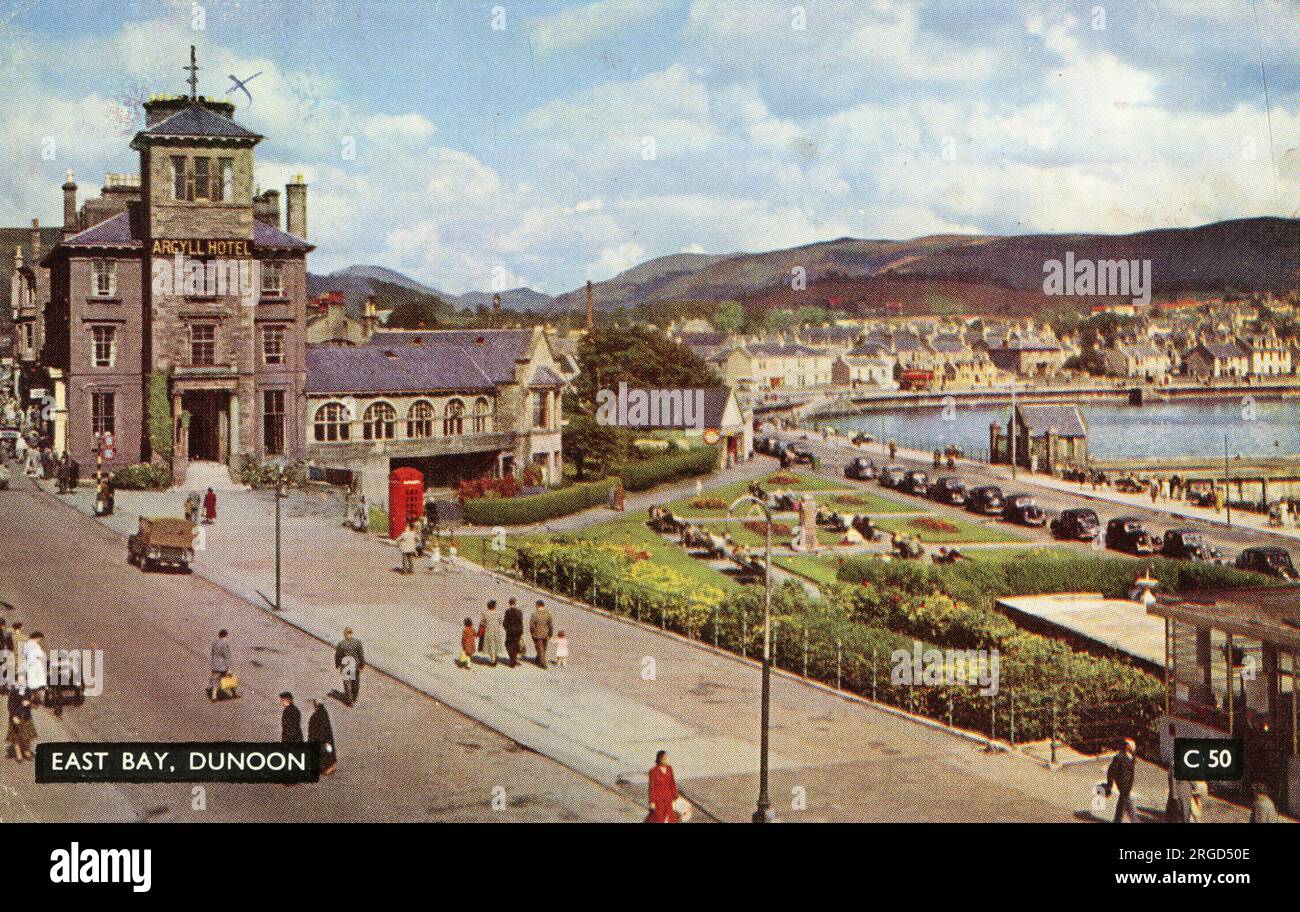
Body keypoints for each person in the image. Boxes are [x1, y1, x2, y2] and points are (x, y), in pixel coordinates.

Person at [1105, 737, 1138, 823]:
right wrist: (1109, 786)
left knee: (1123, 802)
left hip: (1128, 784)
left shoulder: (1132, 756)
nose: (1135, 746)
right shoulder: (1119, 757)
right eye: (1133, 745)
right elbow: (1111, 771)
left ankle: (1117, 821)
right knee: (1127, 802)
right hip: (1123, 784)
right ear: (1127, 746)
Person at [646, 750, 680, 823]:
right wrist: (652, 802)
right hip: (658, 799)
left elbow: (672, 783)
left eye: (666, 757)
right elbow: (651, 787)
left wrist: (675, 796)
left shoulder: (669, 769)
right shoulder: (653, 771)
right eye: (664, 758)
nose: (666, 759)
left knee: (671, 818)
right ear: (659, 759)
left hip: (668, 797)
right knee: (659, 818)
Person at [6, 676, 35, 762]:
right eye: (19, 679)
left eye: (23, 679)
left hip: (26, 716)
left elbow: (35, 701)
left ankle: (26, 751)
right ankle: (18, 754)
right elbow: (10, 704)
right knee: (16, 737)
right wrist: (14, 716)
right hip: (16, 716)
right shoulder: (13, 690)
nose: (21, 681)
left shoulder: (28, 690)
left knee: (27, 736)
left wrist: (29, 702)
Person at [334, 628, 364, 706]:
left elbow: (338, 655)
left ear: (344, 634)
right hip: (355, 665)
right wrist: (362, 664)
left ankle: (349, 700)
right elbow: (361, 655)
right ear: (352, 633)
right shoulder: (357, 642)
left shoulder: (341, 644)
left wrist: (337, 664)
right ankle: (354, 697)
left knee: (347, 683)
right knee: (355, 682)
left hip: (346, 665)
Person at [307, 699, 337, 776]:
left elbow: (316, 732)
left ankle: (326, 767)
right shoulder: (323, 713)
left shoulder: (317, 715)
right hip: (324, 740)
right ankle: (327, 766)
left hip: (320, 740)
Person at [208, 629, 232, 702]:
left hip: (215, 664)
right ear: (226, 635)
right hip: (222, 666)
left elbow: (212, 653)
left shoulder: (215, 643)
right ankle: (234, 694)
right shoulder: (225, 644)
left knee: (215, 680)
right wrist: (228, 668)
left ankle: (214, 697)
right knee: (230, 678)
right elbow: (226, 656)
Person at [22, 632, 46, 703]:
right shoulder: (35, 645)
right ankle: (35, 699)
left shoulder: (26, 644)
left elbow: (24, 654)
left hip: (28, 665)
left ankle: (31, 697)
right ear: (38, 637)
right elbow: (40, 655)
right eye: (40, 639)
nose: (40, 641)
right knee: (38, 682)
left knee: (31, 682)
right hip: (35, 665)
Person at [530, 600, 554, 669]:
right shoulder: (548, 614)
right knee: (544, 648)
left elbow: (532, 625)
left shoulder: (535, 614)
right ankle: (538, 659)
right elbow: (550, 625)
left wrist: (532, 632)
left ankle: (543, 663)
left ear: (538, 605)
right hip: (546, 634)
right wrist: (550, 633)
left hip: (537, 634)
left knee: (539, 648)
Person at [480, 600, 505, 667]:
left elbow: (482, 622)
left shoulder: (485, 613)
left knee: (491, 646)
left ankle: (493, 660)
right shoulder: (498, 613)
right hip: (496, 631)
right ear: (494, 606)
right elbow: (501, 621)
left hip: (488, 631)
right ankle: (495, 657)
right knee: (496, 645)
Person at [502, 597, 524, 667]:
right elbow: (521, 622)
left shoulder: (508, 611)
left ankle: (512, 659)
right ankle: (514, 657)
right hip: (518, 630)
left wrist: (506, 628)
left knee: (508, 644)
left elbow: (505, 622)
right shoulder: (519, 611)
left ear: (509, 603)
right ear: (515, 603)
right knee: (516, 644)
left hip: (510, 630)